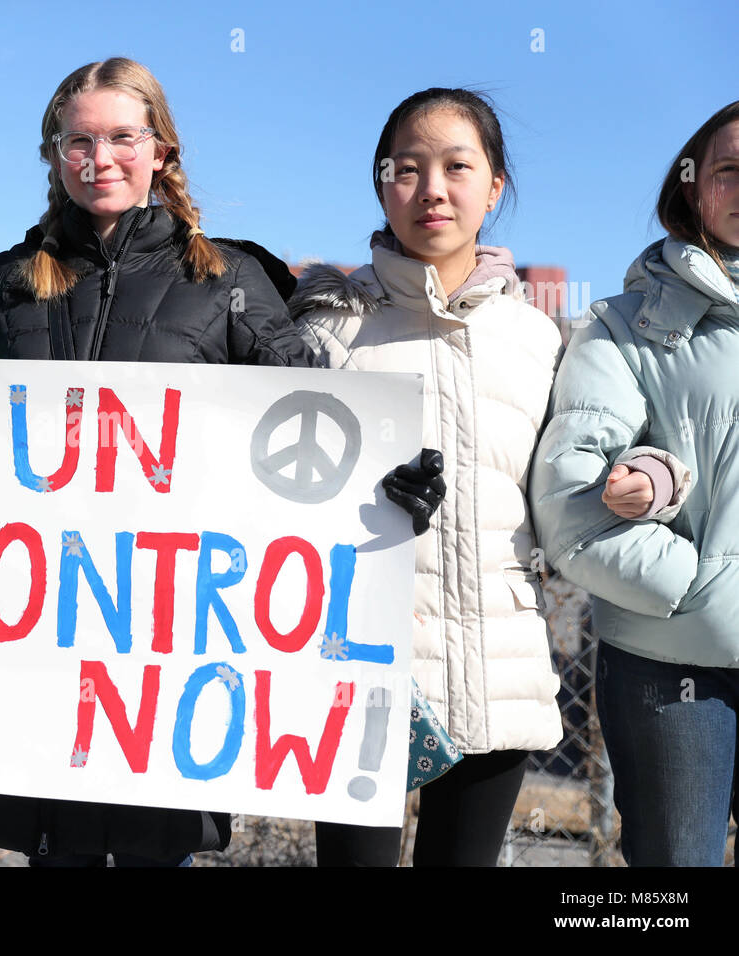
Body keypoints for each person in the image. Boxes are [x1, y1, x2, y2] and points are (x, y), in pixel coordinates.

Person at [0, 57, 310, 866]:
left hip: (173, 638)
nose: (100, 159)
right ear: (54, 155)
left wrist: (392, 483)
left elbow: (314, 419)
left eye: (122, 137)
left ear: (161, 150)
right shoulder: (6, 285)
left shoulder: (227, 279)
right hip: (37, 636)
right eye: (78, 141)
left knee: (159, 850)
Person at [290, 88, 563, 866]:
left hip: (494, 662)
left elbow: (568, 494)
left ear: (494, 187)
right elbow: (270, 494)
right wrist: (359, 504)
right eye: (406, 169)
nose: (432, 189)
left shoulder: (538, 339)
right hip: (351, 668)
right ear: (382, 184)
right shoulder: (325, 331)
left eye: (456, 166)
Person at [529, 101, 739, 866]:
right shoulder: (622, 328)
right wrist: (704, 592)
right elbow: (569, 506)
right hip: (671, 661)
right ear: (692, 189)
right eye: (729, 170)